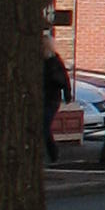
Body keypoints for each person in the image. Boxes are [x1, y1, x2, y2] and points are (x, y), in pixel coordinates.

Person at [42, 37, 71, 166]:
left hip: (51, 99)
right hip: (48, 98)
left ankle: (52, 152)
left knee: (44, 125)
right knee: (44, 126)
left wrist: (68, 95)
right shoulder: (49, 62)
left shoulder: (53, 62)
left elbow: (63, 80)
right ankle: (52, 152)